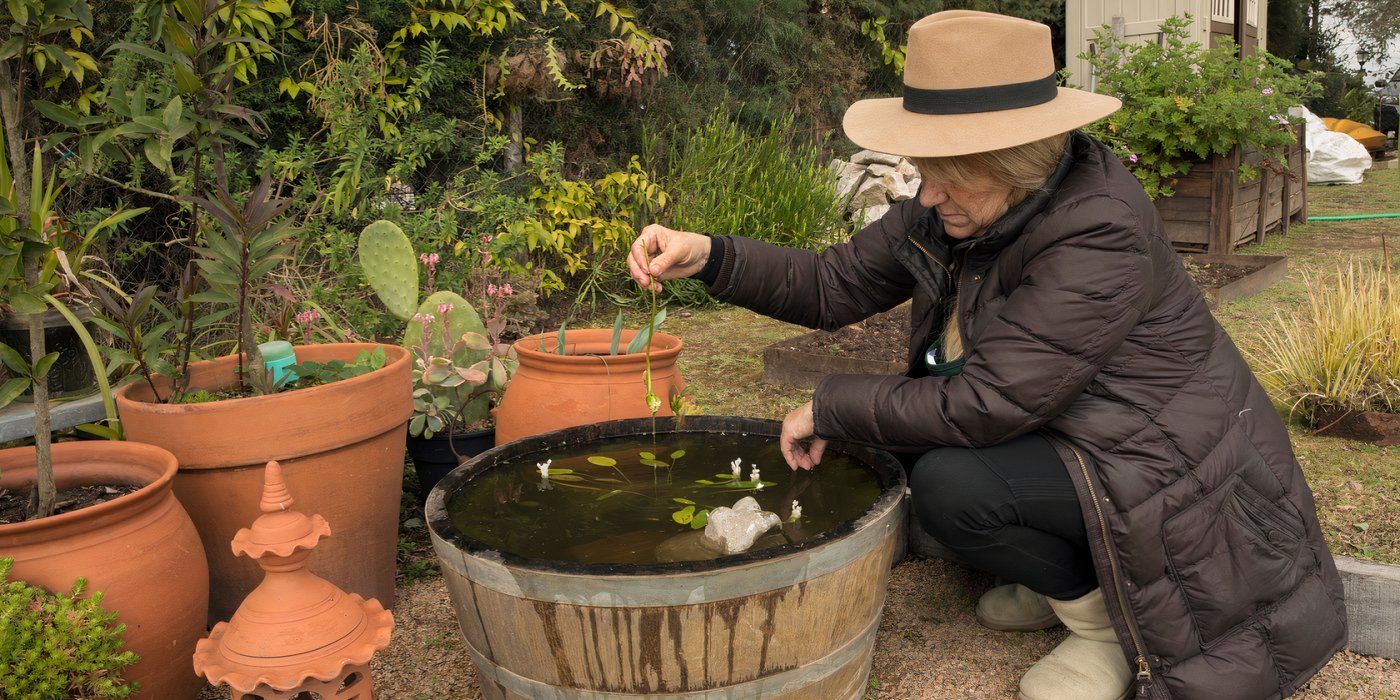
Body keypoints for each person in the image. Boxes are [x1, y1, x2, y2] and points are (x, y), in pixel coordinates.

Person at [626, 10, 1345, 700]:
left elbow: (989, 403)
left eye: (948, 174)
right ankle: (1059, 577)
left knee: (950, 486)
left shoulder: (1098, 231)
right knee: (893, 445)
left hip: (1157, 457)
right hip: (1066, 423)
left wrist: (828, 403)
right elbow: (831, 284)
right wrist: (712, 257)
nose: (925, 193)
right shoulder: (963, 200)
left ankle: (1103, 628)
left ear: (1017, 160)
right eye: (924, 168)